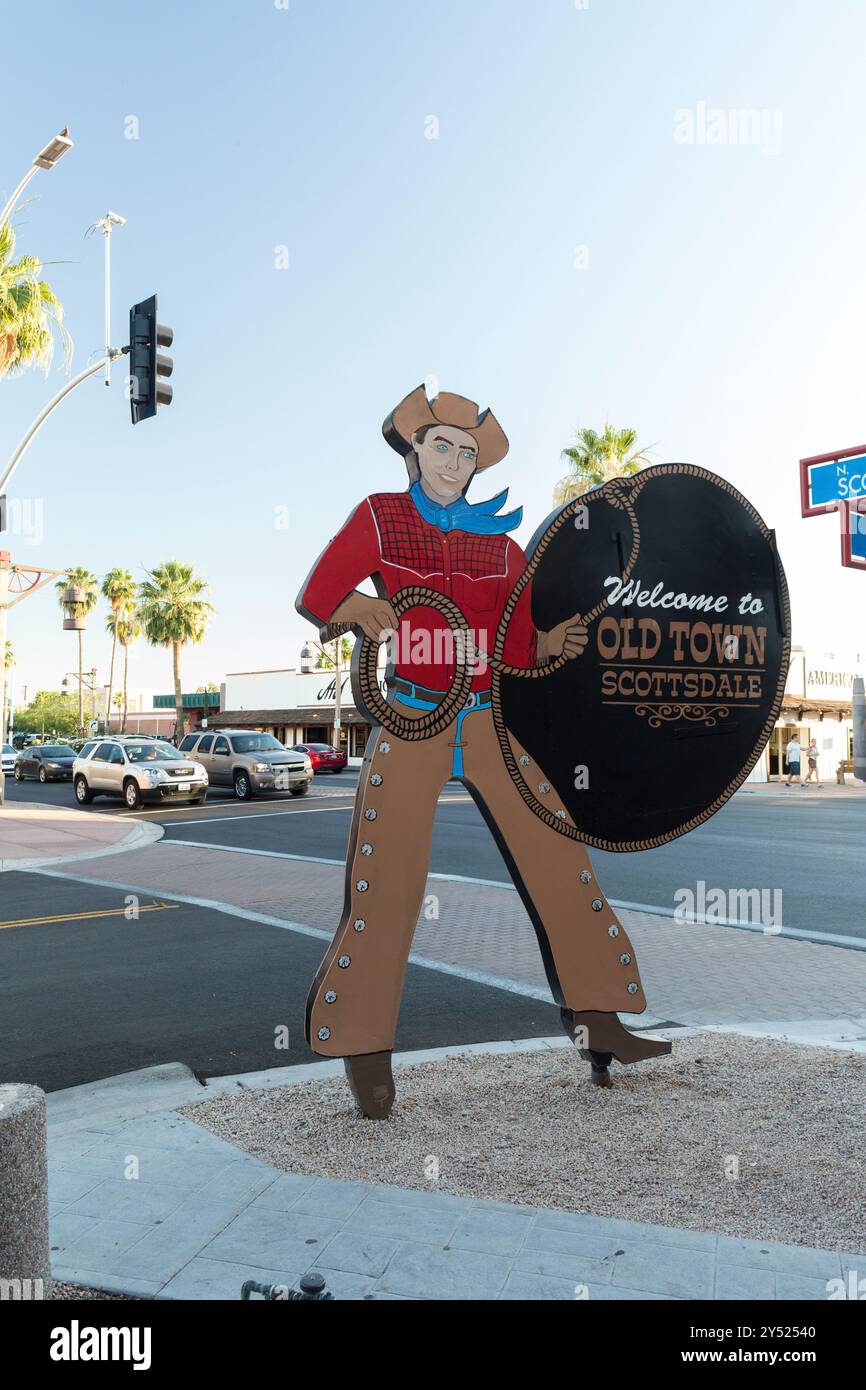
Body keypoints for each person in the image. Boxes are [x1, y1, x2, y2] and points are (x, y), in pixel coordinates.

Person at [296, 384, 669, 1117]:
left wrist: (550, 644)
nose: (454, 462)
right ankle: (364, 1051)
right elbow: (318, 592)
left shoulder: (502, 547)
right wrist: (363, 609)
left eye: (467, 453)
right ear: (415, 447)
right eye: (443, 446)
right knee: (386, 880)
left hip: (489, 720)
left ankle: (600, 1021)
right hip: (410, 716)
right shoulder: (381, 517)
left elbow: (518, 644)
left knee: (559, 857)